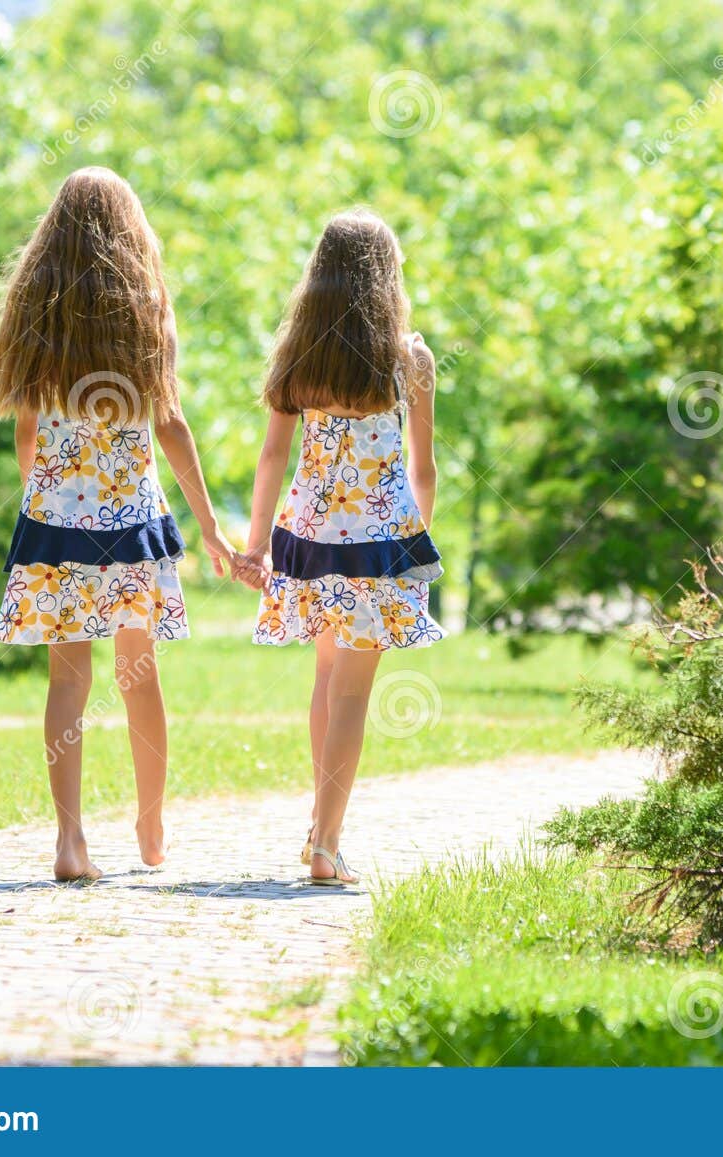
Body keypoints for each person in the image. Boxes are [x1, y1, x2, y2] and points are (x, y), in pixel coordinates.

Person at [0, 167, 236, 882]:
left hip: (55, 521)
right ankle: (150, 823)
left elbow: (26, 430)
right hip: (131, 521)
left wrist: (42, 495)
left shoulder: (35, 309)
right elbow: (170, 424)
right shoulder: (148, 307)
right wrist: (208, 525)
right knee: (139, 674)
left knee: (67, 679)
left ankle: (70, 838)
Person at [237, 208, 445, 886]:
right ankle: (326, 842)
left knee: (328, 680)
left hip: (311, 536)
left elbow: (273, 454)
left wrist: (256, 542)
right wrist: (415, 546)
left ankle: (320, 825)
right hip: (377, 542)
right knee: (352, 692)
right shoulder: (409, 358)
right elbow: (424, 468)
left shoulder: (302, 354)